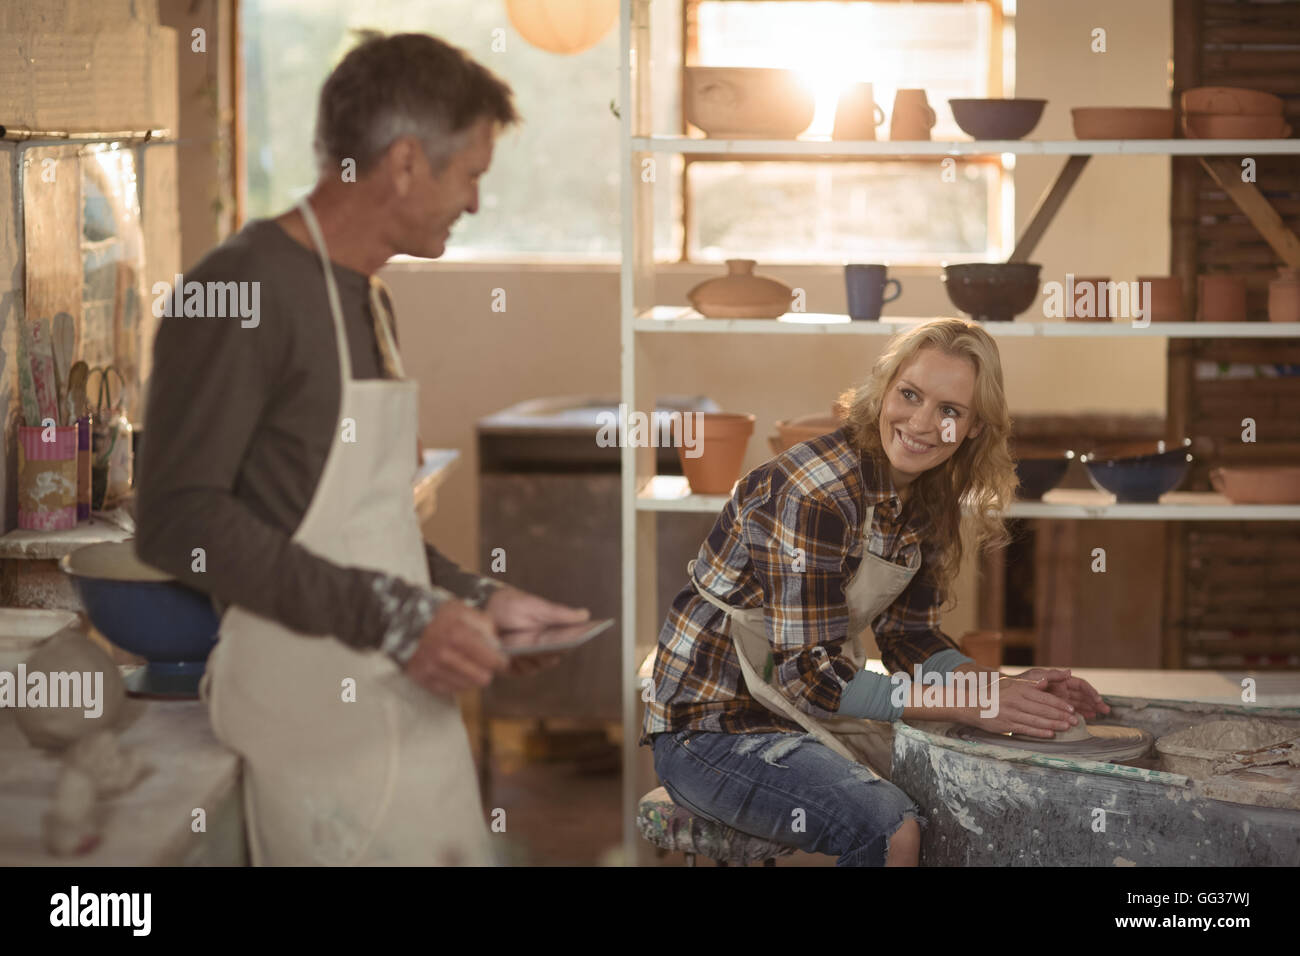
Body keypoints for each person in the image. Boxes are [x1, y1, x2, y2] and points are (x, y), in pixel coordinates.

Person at [137, 33, 587, 866]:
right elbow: (178, 519)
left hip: (405, 704)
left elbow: (356, 522)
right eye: (472, 175)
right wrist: (399, 615)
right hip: (309, 720)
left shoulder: (369, 298)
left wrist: (468, 596)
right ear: (408, 163)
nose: (478, 203)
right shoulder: (237, 292)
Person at [641, 317, 1110, 867]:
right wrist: (976, 702)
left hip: (802, 711)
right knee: (891, 829)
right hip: (712, 728)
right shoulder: (814, 491)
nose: (922, 423)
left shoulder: (929, 494)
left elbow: (910, 637)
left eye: (950, 411)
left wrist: (1002, 689)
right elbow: (810, 676)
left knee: (973, 790)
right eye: (909, 395)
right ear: (882, 390)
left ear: (975, 428)